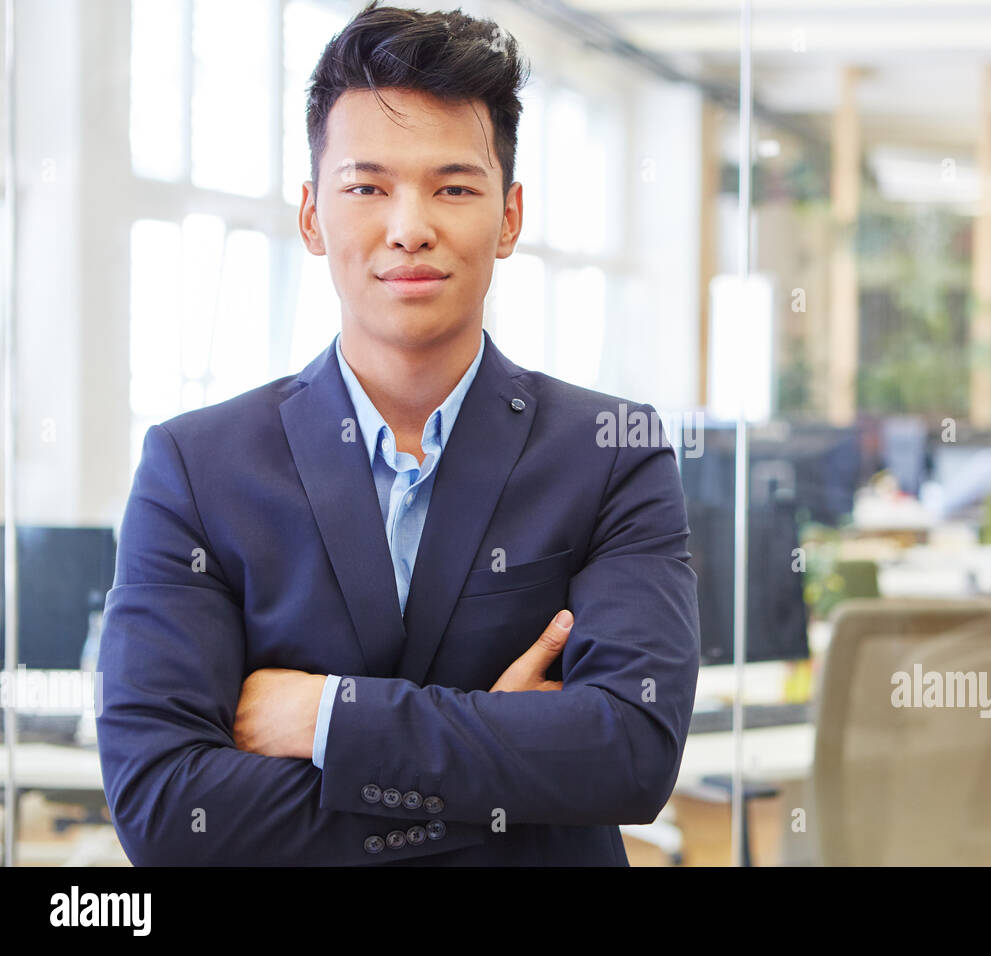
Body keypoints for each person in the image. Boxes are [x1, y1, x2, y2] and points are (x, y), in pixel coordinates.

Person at [96, 2, 700, 866]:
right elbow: (163, 806)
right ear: (312, 217)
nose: (410, 225)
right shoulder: (196, 467)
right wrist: (508, 776)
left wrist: (327, 718)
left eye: (454, 187)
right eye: (366, 187)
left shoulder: (611, 451)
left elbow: (631, 753)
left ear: (510, 217)